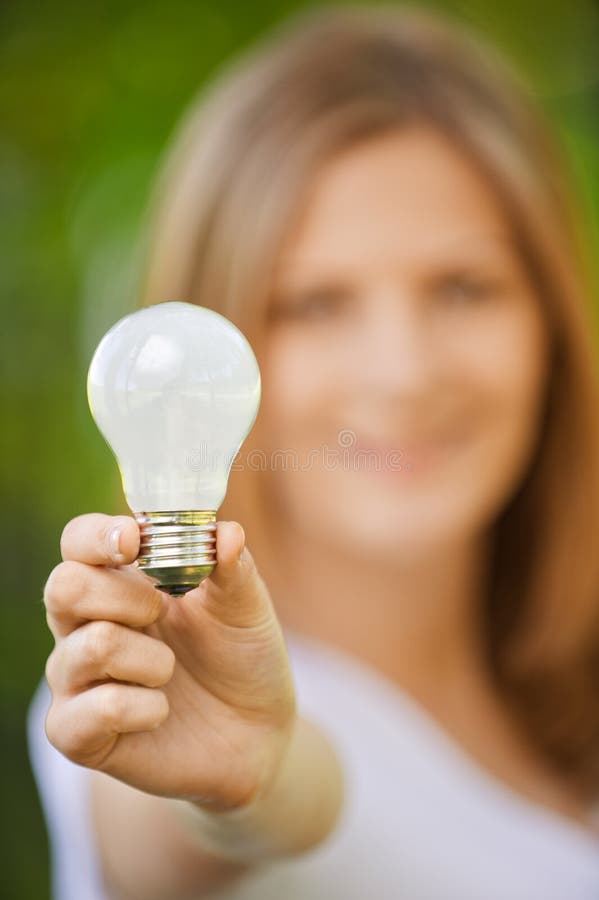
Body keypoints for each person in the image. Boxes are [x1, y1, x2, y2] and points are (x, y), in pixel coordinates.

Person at [28, 5, 599, 899]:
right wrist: (244, 784)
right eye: (316, 303)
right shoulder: (156, 694)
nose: (403, 373)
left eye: (463, 286)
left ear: (551, 325)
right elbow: (230, 799)